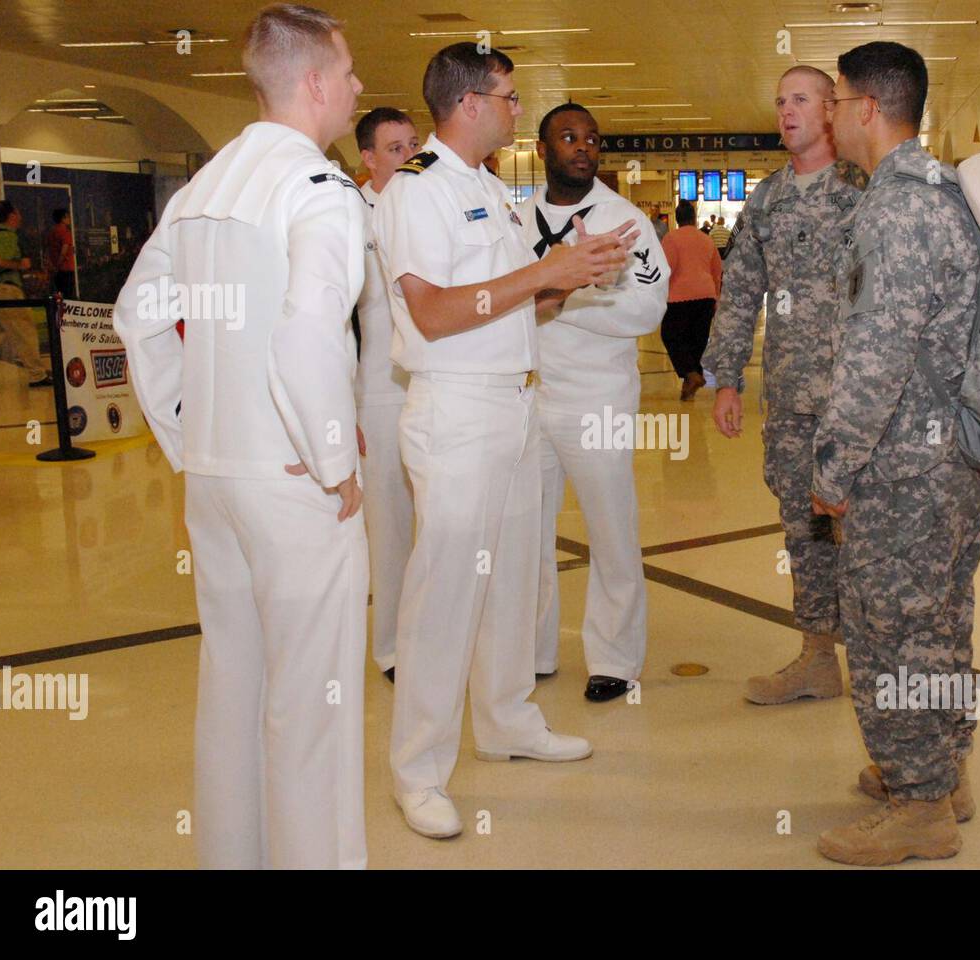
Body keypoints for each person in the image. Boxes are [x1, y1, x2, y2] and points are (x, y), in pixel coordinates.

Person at [112, 2, 370, 869]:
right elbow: (305, 337)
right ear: (314, 83)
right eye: (349, 70)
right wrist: (336, 462)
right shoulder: (319, 189)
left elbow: (136, 318)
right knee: (312, 711)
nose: (359, 85)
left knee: (232, 691)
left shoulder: (201, 188)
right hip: (294, 484)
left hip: (217, 482)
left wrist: (190, 437)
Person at [372, 42, 633, 840]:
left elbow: (519, 306)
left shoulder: (489, 187)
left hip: (517, 404)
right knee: (442, 597)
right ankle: (417, 771)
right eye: (511, 98)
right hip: (456, 412)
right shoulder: (416, 191)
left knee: (515, 578)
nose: (520, 111)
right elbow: (438, 313)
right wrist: (542, 271)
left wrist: (572, 276)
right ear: (470, 103)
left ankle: (508, 719)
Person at [811, 41, 980, 866]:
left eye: (838, 100)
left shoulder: (896, 208)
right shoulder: (940, 192)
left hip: (901, 472)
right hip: (949, 459)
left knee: (890, 631)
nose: (832, 114)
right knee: (941, 620)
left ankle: (920, 807)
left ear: (867, 110)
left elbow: (875, 359)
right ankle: (942, 771)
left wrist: (833, 466)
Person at [703, 65, 861, 706]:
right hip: (794, 403)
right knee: (805, 532)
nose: (786, 111)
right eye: (780, 101)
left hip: (862, 402)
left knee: (870, 537)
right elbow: (740, 293)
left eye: (801, 99)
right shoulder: (766, 200)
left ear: (831, 110)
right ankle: (818, 659)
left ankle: (882, 677)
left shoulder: (866, 188)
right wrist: (725, 379)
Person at [522, 102, 670, 701]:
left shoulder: (623, 221)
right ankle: (531, 647)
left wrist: (580, 290)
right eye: (568, 137)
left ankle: (613, 656)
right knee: (525, 529)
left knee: (610, 528)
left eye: (591, 139)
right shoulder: (513, 218)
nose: (583, 147)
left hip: (597, 400)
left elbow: (647, 309)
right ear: (542, 149)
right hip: (528, 395)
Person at [353, 106, 420, 681]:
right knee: (390, 526)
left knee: (444, 522)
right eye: (395, 149)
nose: (408, 158)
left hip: (436, 385)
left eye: (413, 145)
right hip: (378, 389)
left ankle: (443, 636)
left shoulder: (426, 206)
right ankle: (393, 647)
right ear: (368, 159)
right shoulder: (349, 218)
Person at [660, 199, 721, 400]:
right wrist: (716, 297)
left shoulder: (671, 238)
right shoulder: (706, 239)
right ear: (694, 218)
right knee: (697, 340)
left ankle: (692, 374)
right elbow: (717, 270)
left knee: (671, 335)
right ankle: (689, 384)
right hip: (706, 294)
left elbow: (666, 268)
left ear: (676, 219)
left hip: (679, 296)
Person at [0, 200, 51, 386]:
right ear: (12, 215)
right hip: (7, 291)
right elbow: (0, 261)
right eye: (18, 213)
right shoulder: (7, 235)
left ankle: (37, 373)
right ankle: (37, 375)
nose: (20, 217)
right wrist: (21, 265)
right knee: (25, 330)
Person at [45, 208, 76, 299]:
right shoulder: (65, 232)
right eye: (67, 216)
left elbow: (49, 249)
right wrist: (58, 265)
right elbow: (64, 249)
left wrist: (53, 267)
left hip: (56, 270)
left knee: (59, 295)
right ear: (63, 218)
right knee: (68, 297)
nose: (69, 219)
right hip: (66, 269)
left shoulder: (52, 232)